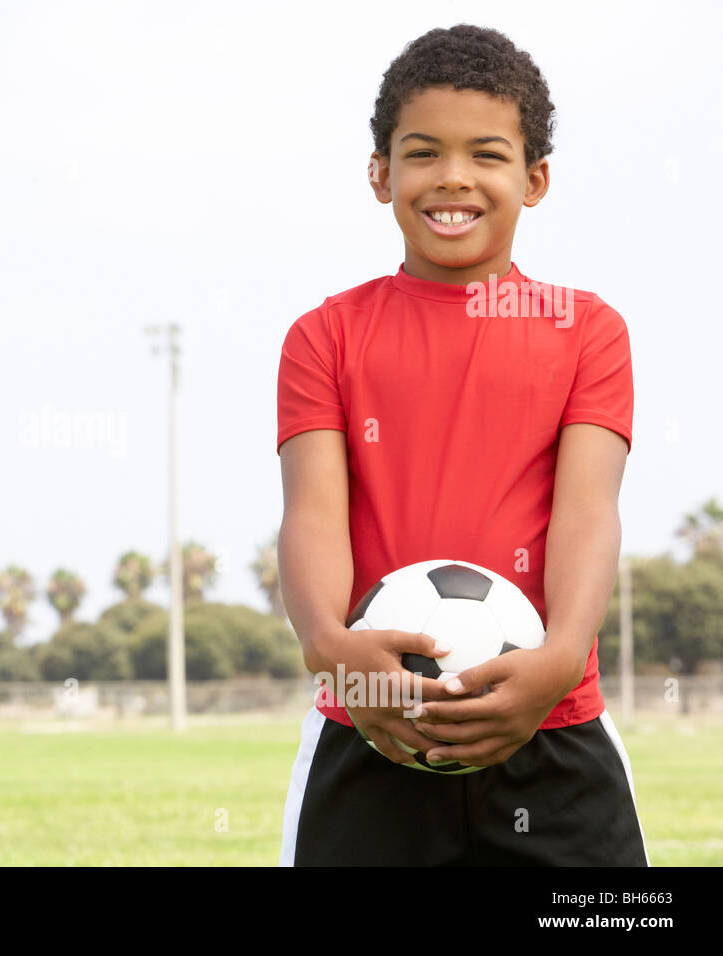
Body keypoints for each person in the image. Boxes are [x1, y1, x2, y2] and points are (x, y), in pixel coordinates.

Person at [275, 24, 648, 866]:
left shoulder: (587, 331)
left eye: (485, 153)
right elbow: (312, 516)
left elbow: (588, 512)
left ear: (535, 177)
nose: (452, 179)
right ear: (381, 175)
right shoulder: (324, 337)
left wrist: (556, 661)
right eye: (421, 153)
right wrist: (332, 653)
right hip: (369, 727)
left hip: (555, 734)